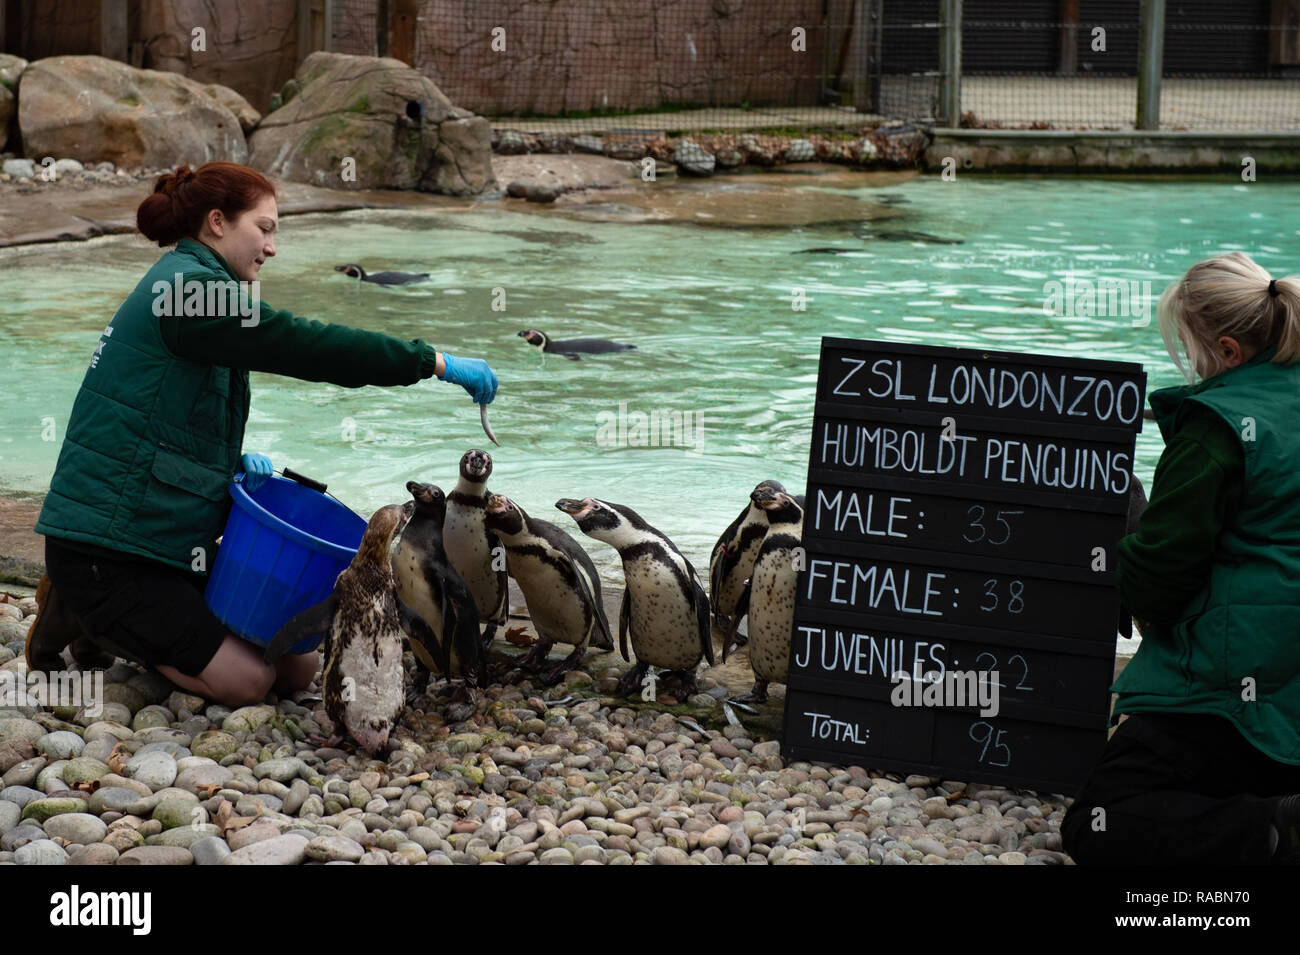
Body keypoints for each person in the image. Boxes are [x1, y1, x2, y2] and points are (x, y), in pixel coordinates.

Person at [27, 161, 499, 708]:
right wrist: (432, 361)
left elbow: (156, 414)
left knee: (295, 664)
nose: (273, 247)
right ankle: (85, 615)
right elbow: (302, 344)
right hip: (106, 550)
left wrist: (226, 464)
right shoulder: (190, 293)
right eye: (266, 228)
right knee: (247, 682)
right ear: (217, 222)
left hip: (165, 544)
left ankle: (115, 617)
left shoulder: (198, 287)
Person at [1061, 252, 1300, 865]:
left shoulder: (1215, 425)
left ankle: (1275, 831)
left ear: (1226, 351)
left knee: (1100, 820)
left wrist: (1121, 564)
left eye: (1188, 350)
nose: (1188, 366)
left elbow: (1159, 581)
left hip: (1236, 687)